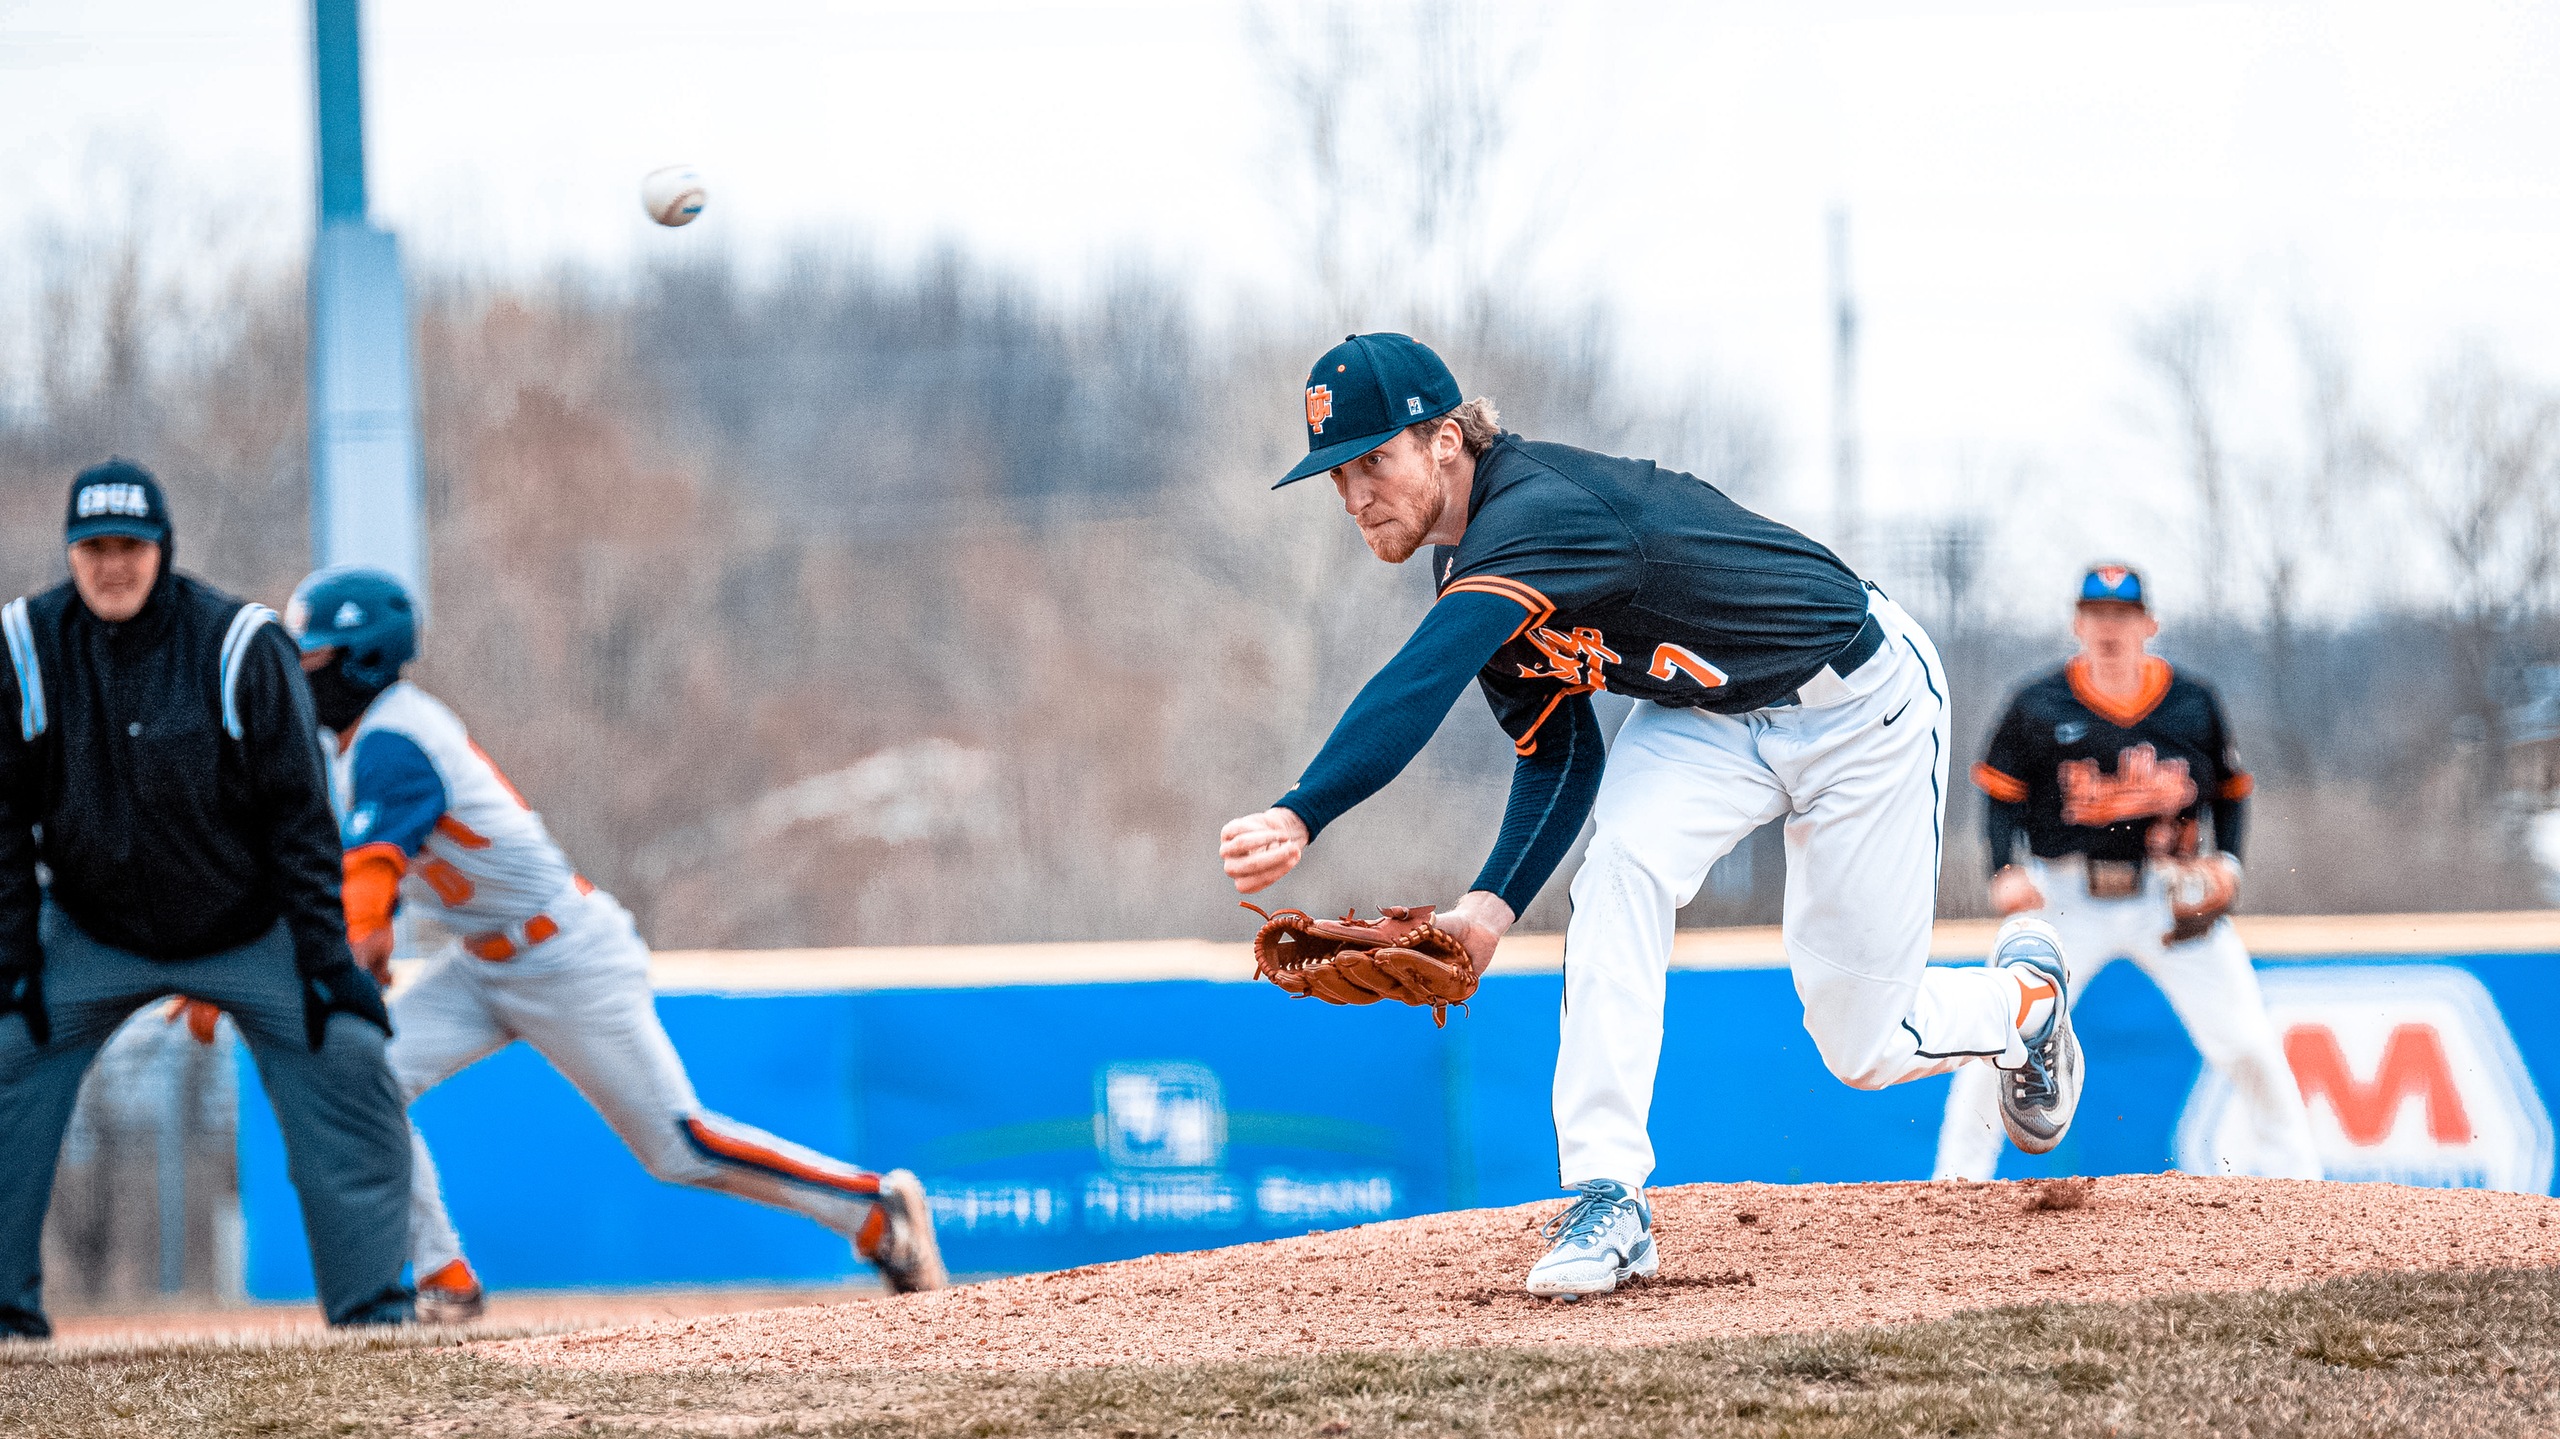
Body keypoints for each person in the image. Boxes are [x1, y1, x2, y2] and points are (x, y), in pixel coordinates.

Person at [1219, 334, 2084, 1299]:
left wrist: (1305, 809)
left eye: (1374, 459)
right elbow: (1560, 753)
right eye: (1340, 473)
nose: (1354, 494)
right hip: (1707, 719)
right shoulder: (1472, 566)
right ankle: (1607, 1197)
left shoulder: (1538, 512)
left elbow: (1419, 678)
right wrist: (1487, 911)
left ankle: (2026, 1004)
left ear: (1447, 440)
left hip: (1860, 708)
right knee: (1620, 869)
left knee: (1864, 1044)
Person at [284, 567, 946, 1321]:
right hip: (480, 960)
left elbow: (368, 891)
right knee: (361, 1081)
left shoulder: (395, 738)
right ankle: (444, 1276)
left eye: (315, 654)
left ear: (363, 659)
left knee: (681, 1146)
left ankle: (872, 1210)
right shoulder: (361, 743)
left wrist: (324, 961)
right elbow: (356, 893)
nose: (301, 670)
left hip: (565, 956)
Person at [0, 461, 411, 1338]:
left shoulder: (238, 643)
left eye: (131, 547)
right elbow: (1, 821)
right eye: (95, 547)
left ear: (163, 550)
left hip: (247, 926)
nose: (114, 565)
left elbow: (302, 818)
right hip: (90, 928)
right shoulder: (25, 646)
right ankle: (4, 1312)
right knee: (4, 1046)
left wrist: (326, 961)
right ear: (71, 553)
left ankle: (374, 1309)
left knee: (348, 1047)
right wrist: (14, 958)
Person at [1935, 565, 2321, 1182]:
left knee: (2245, 1037)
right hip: (2063, 894)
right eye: (2096, 615)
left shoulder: (2192, 701)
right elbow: (2000, 793)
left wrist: (2229, 861)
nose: (2109, 628)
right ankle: (1958, 1179)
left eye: (2122, 616)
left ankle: (2298, 1179)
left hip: (2168, 896)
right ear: (2077, 624)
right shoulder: (2038, 704)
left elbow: (2232, 789)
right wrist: (2004, 867)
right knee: (2001, 1036)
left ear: (2149, 625)